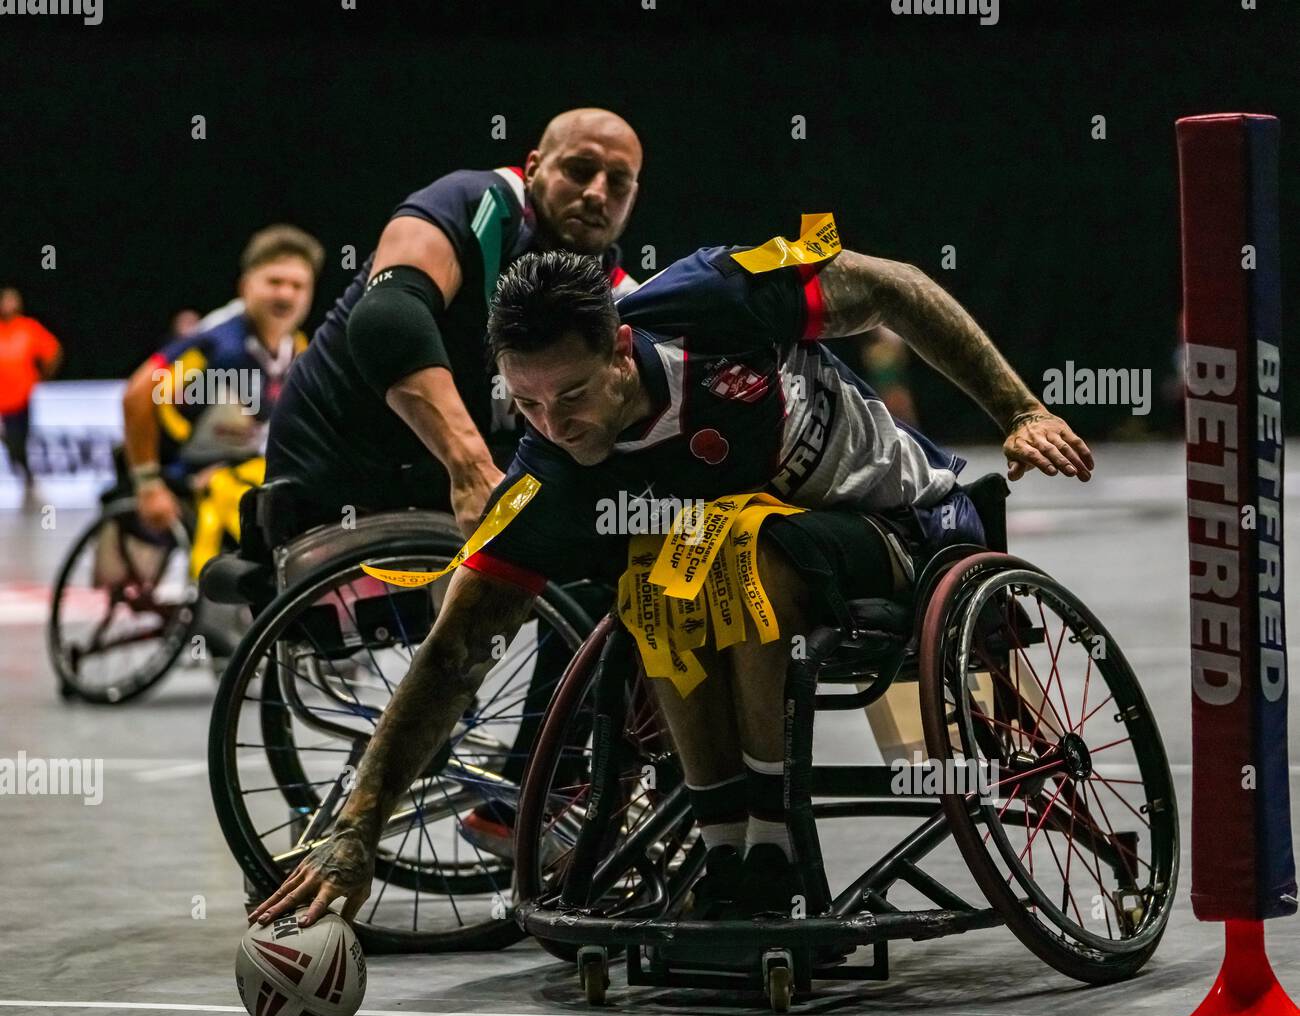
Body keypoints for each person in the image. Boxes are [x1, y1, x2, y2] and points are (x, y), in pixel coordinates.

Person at [250, 226, 1093, 928]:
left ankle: (773, 838)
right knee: (652, 574)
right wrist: (359, 826)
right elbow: (453, 647)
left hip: (906, 526)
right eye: (529, 405)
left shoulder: (714, 295)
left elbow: (897, 287)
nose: (556, 423)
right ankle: (727, 848)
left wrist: (1019, 410)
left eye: (573, 394)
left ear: (620, 347)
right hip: (756, 556)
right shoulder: (547, 475)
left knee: (732, 538)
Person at [259, 107, 644, 858]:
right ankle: (547, 795)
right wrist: (469, 467)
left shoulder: (603, 282)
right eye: (579, 169)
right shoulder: (473, 204)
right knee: (598, 582)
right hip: (346, 502)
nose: (596, 191)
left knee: (644, 546)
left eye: (618, 181)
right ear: (535, 164)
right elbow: (385, 316)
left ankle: (576, 788)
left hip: (417, 504)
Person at [119, 225, 322, 535]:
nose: (285, 294)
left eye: (297, 285)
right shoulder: (217, 343)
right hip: (182, 471)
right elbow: (138, 393)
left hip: (234, 461)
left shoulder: (297, 347)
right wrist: (148, 484)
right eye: (274, 282)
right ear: (245, 286)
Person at [0, 286, 62, 497]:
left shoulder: (28, 328)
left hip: (21, 399)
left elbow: (53, 351)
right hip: (1, 401)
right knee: (10, 441)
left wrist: (43, 376)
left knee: (19, 441)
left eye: (12, 300)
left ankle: (26, 474)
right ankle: (24, 471)